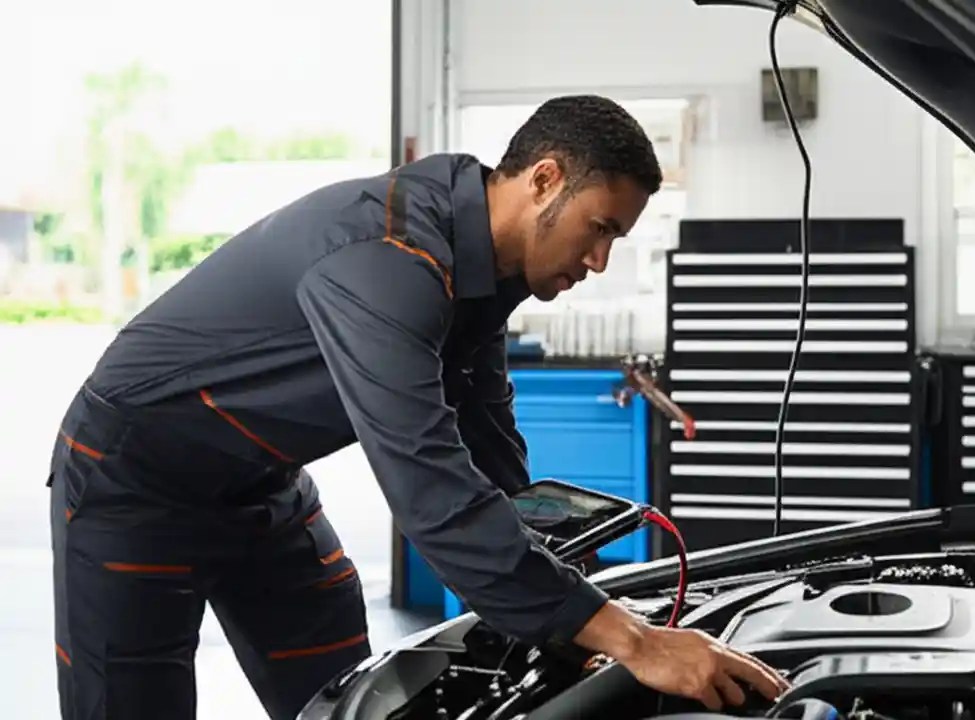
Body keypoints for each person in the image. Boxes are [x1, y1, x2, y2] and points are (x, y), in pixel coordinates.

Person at [47, 94, 788, 719]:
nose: (599, 262)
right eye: (599, 229)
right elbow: (432, 492)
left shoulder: (485, 278)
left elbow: (495, 462)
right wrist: (631, 641)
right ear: (544, 179)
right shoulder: (391, 259)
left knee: (352, 697)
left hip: (259, 482)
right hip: (135, 477)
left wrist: (584, 620)